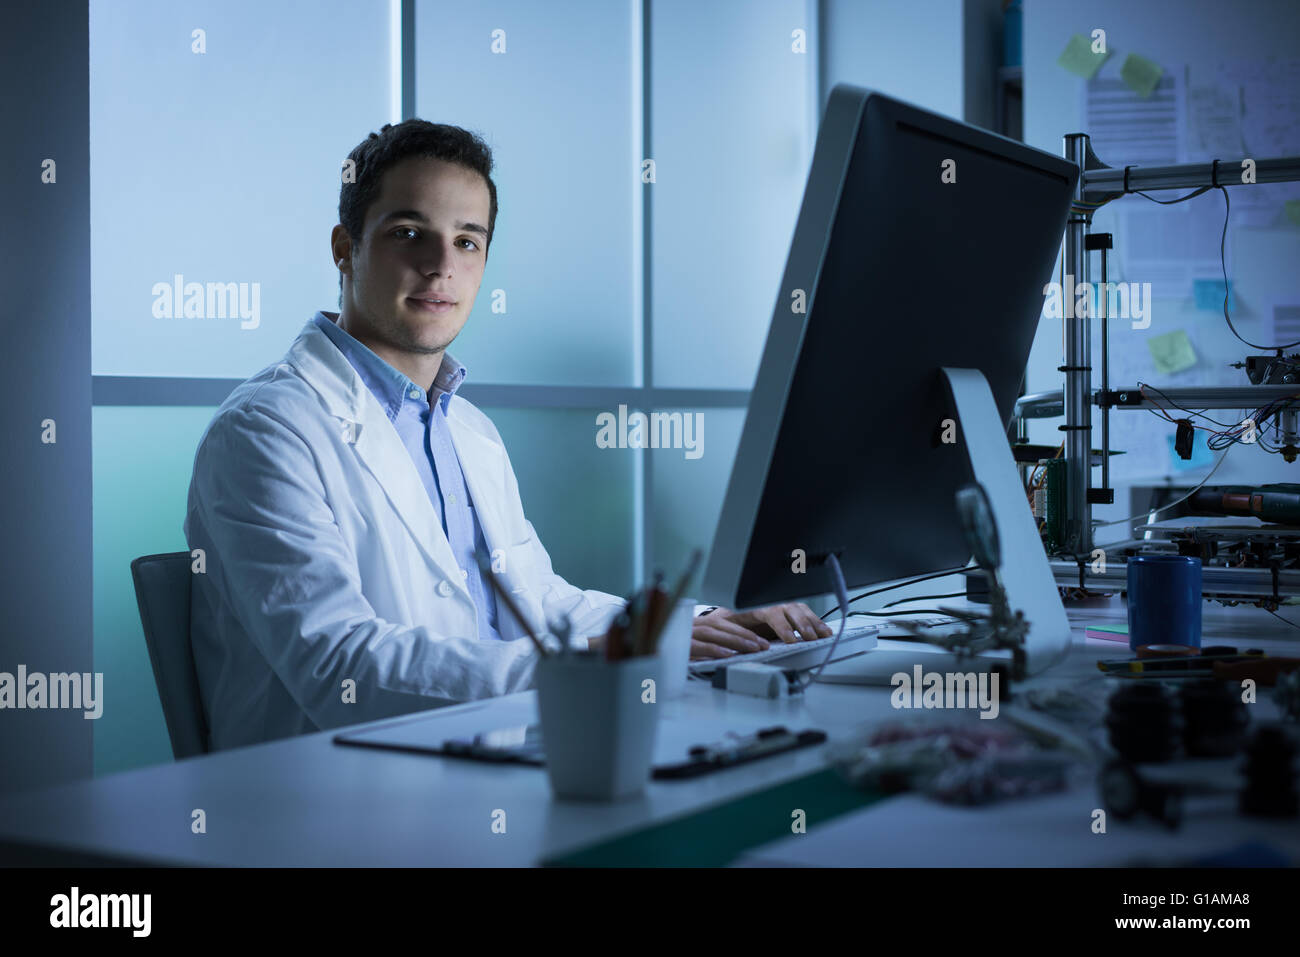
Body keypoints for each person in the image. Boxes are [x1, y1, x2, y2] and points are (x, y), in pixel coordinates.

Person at [184, 120, 830, 751]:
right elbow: (338, 666)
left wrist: (685, 629)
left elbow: (540, 602)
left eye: (467, 240)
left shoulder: (468, 428)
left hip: (494, 755)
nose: (442, 265)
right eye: (410, 233)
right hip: (338, 795)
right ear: (344, 247)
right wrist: (603, 663)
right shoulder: (266, 431)